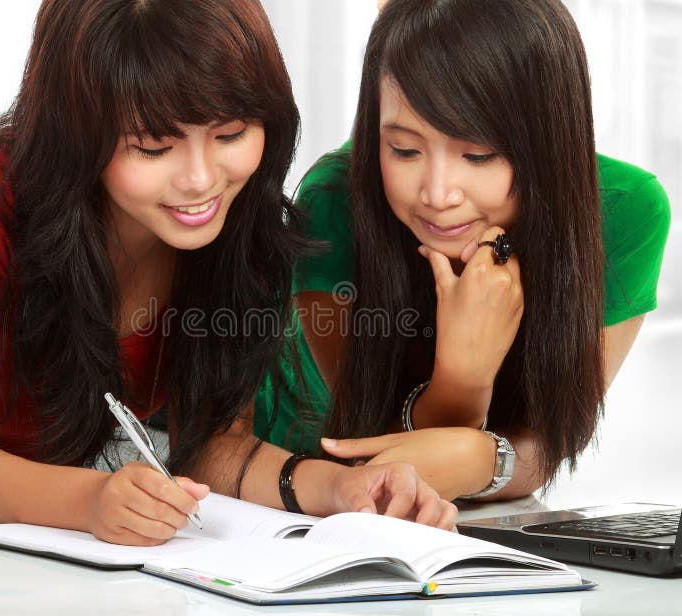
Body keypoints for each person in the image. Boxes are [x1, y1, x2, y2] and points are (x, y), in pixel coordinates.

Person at [0, 0, 457, 545]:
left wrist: (339, 487)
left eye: (230, 135)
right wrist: (90, 502)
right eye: (155, 147)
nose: (201, 180)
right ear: (76, 132)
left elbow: (211, 446)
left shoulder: (236, 227)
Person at [254, 0, 671, 501]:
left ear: (547, 139)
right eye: (404, 150)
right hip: (291, 497)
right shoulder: (334, 200)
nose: (437, 193)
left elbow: (545, 447)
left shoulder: (625, 212)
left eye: (478, 155)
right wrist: (463, 379)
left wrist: (480, 457)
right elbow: (376, 463)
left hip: (476, 525)